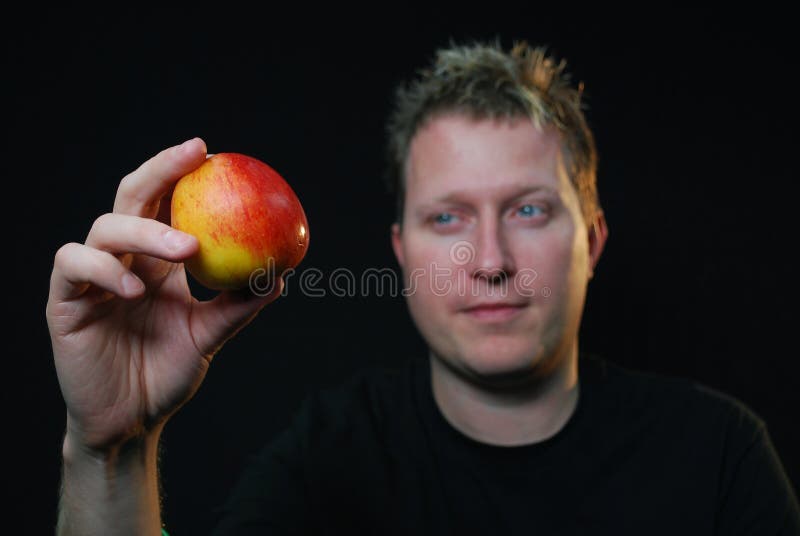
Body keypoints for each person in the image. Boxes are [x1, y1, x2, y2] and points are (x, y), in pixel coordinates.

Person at [47, 40, 800, 535]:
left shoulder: (720, 458)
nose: (490, 260)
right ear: (403, 253)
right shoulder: (323, 464)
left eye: (530, 209)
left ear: (593, 241)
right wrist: (113, 450)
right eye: (448, 217)